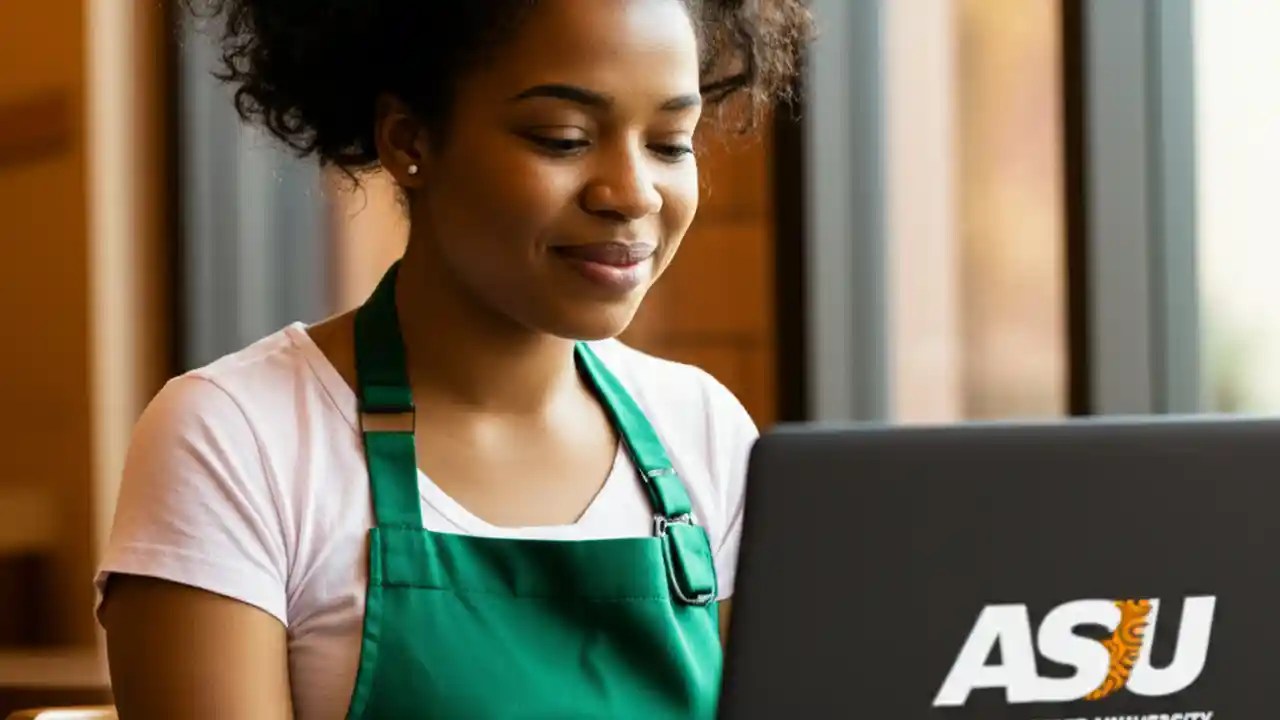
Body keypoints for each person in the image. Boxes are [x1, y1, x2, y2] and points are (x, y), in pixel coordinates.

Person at [95, 1, 811, 717]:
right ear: (409, 139)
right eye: (563, 139)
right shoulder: (239, 437)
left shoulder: (702, 429)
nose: (631, 193)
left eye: (670, 143)